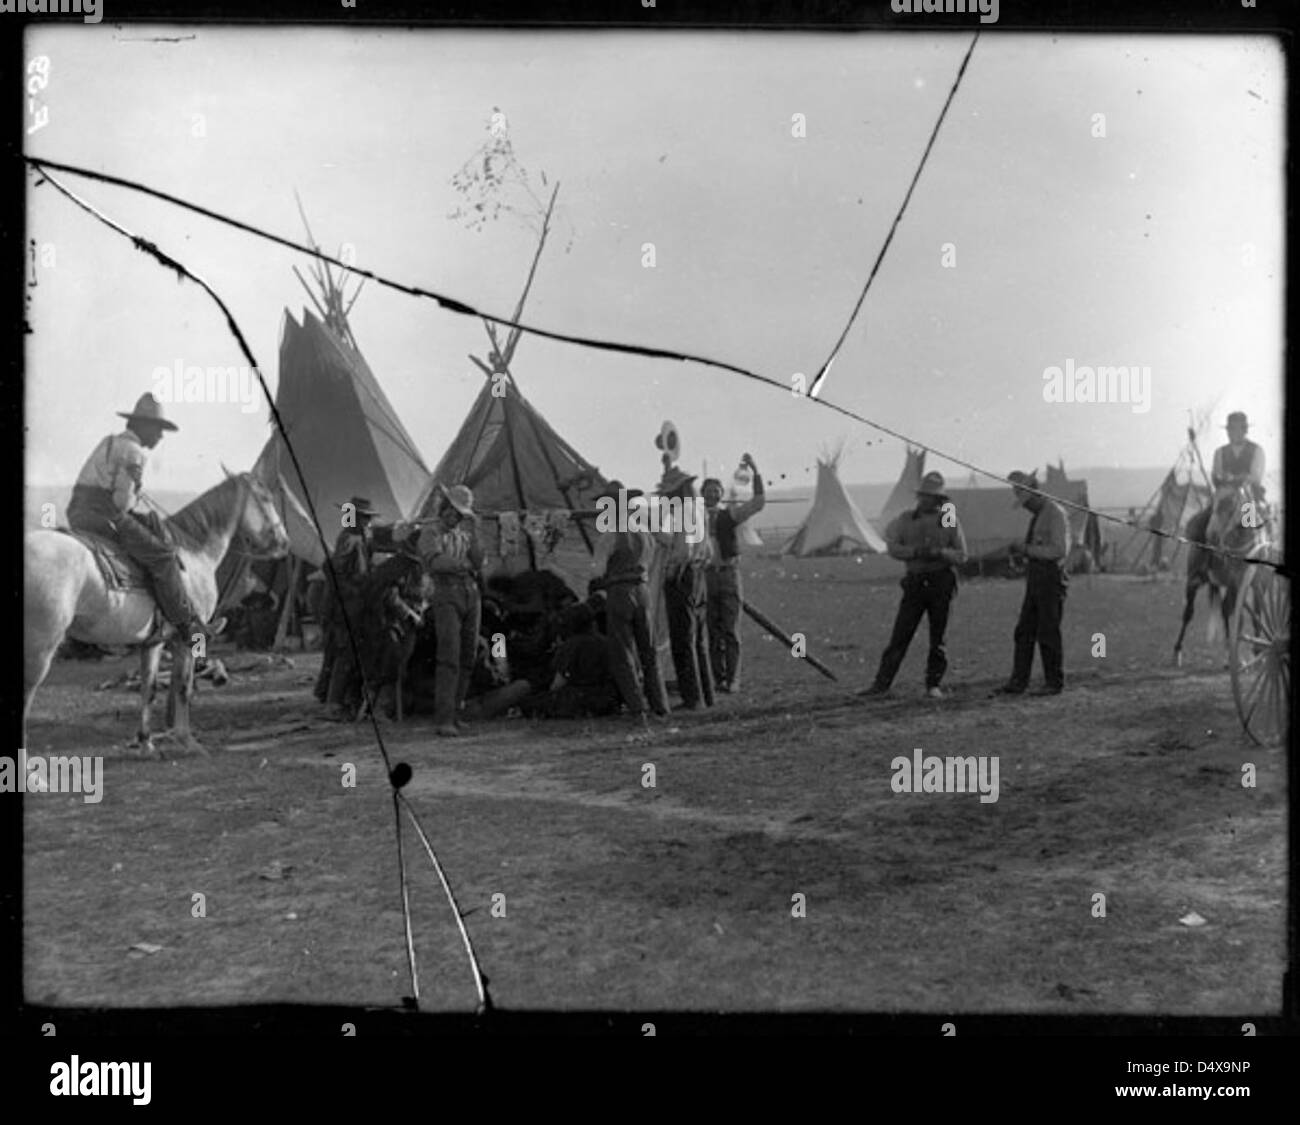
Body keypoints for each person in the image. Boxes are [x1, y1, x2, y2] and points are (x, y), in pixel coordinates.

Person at [66, 393, 225, 640]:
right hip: (105, 516)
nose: (160, 436)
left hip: (78, 512)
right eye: (158, 429)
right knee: (162, 557)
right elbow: (122, 503)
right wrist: (135, 493)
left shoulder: (108, 441)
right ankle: (189, 630)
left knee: (151, 528)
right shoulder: (135, 452)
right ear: (144, 426)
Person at [860, 471, 968, 700]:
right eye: (924, 495)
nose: (927, 500)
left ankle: (933, 684)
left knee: (938, 637)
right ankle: (882, 684)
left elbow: (961, 554)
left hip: (941, 581)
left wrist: (940, 553)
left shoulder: (948, 517)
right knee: (901, 634)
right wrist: (916, 552)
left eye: (931, 496)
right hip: (916, 582)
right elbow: (893, 548)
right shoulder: (905, 519)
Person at [590, 480, 669, 722]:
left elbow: (596, 570)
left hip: (620, 591)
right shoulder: (643, 531)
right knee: (648, 649)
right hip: (642, 589)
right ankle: (660, 705)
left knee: (623, 650)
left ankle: (637, 707)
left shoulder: (611, 533)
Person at [992, 470, 1071, 697]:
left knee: (1048, 631)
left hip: (1051, 578)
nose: (1025, 507)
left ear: (1036, 494)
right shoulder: (1039, 515)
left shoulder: (1055, 513)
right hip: (1036, 578)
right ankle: (1018, 682)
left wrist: (1026, 550)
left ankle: (1054, 682)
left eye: (1026, 501)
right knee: (1024, 631)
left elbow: (1059, 550)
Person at [418, 484, 484, 737]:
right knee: (449, 655)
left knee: (467, 655)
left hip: (470, 593)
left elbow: (479, 561)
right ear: (443, 508)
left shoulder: (464, 535)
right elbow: (435, 560)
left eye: (458, 513)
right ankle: (444, 718)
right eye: (450, 510)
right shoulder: (430, 532)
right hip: (446, 593)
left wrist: (476, 532)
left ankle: (456, 712)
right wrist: (463, 565)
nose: (453, 516)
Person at [701, 453, 766, 693]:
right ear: (702, 494)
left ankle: (733, 679)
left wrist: (755, 470)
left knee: (731, 630)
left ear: (721, 494)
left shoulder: (731, 514)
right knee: (713, 631)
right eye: (708, 490)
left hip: (728, 574)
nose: (713, 494)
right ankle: (718, 678)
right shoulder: (693, 518)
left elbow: (758, 502)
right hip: (706, 577)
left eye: (716, 490)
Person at [658, 467, 715, 710]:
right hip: (699, 574)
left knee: (683, 640)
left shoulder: (682, 512)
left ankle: (692, 697)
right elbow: (708, 549)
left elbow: (682, 549)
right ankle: (706, 694)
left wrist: (671, 572)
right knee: (699, 640)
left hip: (683, 576)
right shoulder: (700, 510)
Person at [318, 496, 379, 721]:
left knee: (347, 653)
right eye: (364, 518)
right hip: (344, 604)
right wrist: (355, 589)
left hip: (352, 602)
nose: (367, 522)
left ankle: (335, 699)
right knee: (344, 653)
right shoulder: (349, 539)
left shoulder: (360, 538)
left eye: (368, 518)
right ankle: (333, 703)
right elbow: (336, 572)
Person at [358, 532, 429, 722]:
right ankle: (379, 708)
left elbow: (421, 595)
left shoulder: (417, 568)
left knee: (401, 664)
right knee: (392, 663)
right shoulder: (397, 567)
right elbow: (391, 597)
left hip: (407, 623)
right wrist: (411, 614)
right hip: (389, 623)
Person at [1206, 411, 1266, 546]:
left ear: (1244, 430)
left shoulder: (1256, 450)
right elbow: (1216, 475)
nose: (1232, 433)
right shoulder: (1220, 452)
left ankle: (1253, 549)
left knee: (1249, 523)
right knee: (1205, 524)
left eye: (1236, 428)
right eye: (1230, 429)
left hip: (1248, 496)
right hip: (1224, 495)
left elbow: (1255, 477)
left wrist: (1235, 478)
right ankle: (1205, 556)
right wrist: (1224, 479)